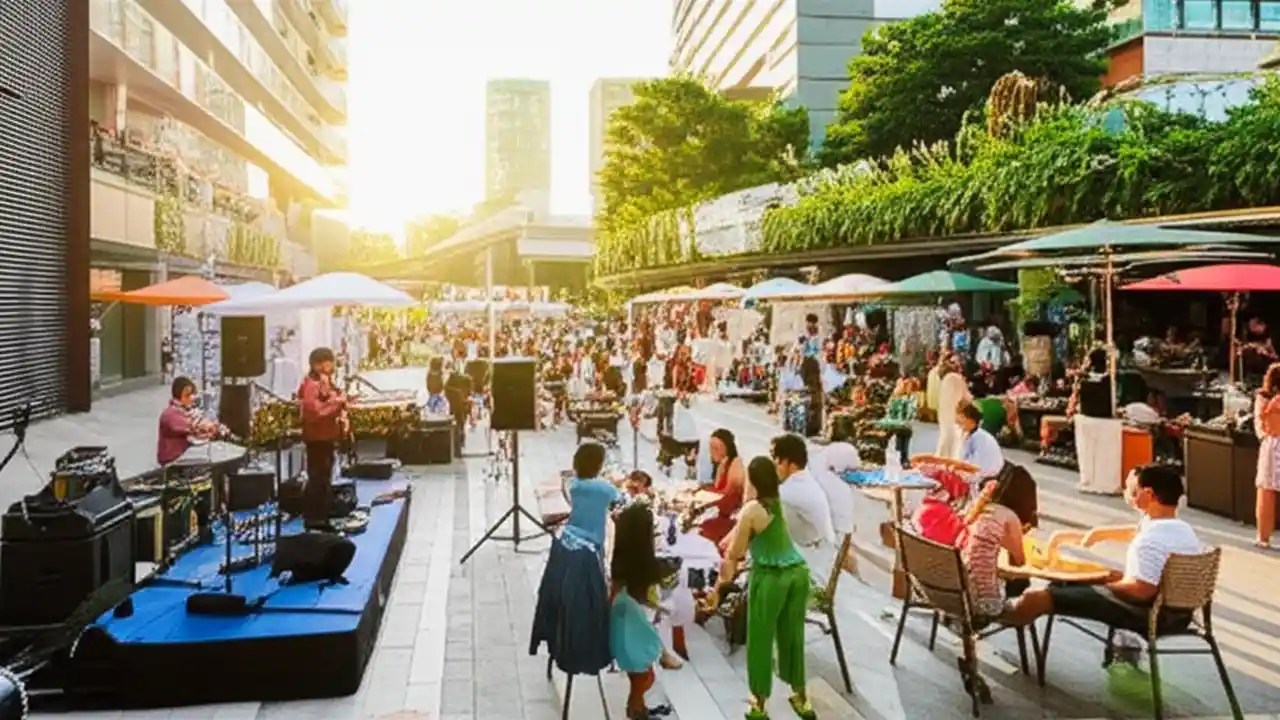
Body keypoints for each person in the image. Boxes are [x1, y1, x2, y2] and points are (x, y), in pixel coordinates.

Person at [1003, 464, 1204, 633]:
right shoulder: (1182, 530)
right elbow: (1134, 532)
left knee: (1035, 598)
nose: (1129, 496)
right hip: (1178, 614)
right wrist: (1098, 536)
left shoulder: (1149, 540)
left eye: (1133, 490)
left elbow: (1142, 590)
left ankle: (990, 616)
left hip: (1148, 616)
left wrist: (1099, 586)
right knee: (1096, 576)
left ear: (1148, 494)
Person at [709, 457, 817, 720]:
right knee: (792, 637)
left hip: (771, 578)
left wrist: (717, 592)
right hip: (798, 575)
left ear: (754, 481)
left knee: (760, 639)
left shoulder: (752, 510)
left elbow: (735, 554)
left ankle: (758, 703)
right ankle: (802, 698)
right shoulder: (782, 504)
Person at [530, 442, 618, 677]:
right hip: (591, 546)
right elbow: (618, 500)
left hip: (570, 539)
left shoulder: (575, 484)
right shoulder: (604, 488)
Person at [610, 504, 676, 720]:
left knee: (638, 677)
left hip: (621, 633)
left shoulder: (619, 564)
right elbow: (649, 602)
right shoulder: (647, 568)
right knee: (644, 678)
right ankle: (636, 709)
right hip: (639, 635)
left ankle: (637, 708)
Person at [771, 433, 836, 580]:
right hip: (816, 553)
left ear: (792, 465)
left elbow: (760, 506)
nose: (775, 467)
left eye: (778, 462)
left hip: (813, 567)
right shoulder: (802, 479)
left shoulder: (792, 490)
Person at [299, 347, 349, 532]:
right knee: (318, 479)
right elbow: (315, 412)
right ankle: (316, 519)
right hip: (317, 438)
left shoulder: (323, 382)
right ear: (318, 364)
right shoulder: (311, 384)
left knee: (324, 478)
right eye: (329, 361)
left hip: (326, 437)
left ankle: (323, 516)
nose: (333, 365)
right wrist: (338, 403)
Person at [699, 429, 747, 546]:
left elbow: (728, 495)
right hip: (720, 513)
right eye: (711, 447)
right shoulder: (722, 464)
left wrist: (704, 493)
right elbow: (716, 490)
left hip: (730, 518)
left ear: (727, 447)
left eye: (716, 448)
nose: (712, 452)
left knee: (702, 530)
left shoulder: (736, 463)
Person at [157, 376, 215, 465]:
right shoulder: (170, 414)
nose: (192, 398)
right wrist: (207, 427)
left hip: (182, 456)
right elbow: (189, 426)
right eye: (189, 395)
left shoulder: (185, 410)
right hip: (172, 460)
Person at [1255, 363, 1280, 548]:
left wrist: (1265, 437)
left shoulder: (1263, 398)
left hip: (1271, 444)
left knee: (1266, 492)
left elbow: (1259, 423)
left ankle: (1263, 537)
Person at [936, 353, 971, 459]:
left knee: (945, 437)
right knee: (955, 441)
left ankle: (941, 459)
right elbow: (967, 398)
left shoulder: (943, 379)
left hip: (944, 412)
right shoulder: (957, 378)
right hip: (956, 412)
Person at [958, 402, 1004, 479]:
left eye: (963, 417)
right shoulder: (975, 434)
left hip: (985, 472)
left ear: (971, 420)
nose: (960, 421)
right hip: (984, 469)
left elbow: (976, 465)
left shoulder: (979, 438)